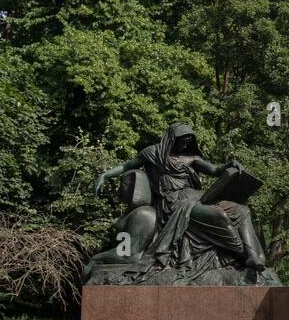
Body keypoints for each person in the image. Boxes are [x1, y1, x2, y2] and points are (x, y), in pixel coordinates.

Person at [92, 121, 277, 284]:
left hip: (197, 197)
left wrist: (230, 165)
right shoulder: (153, 153)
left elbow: (214, 169)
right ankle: (243, 256)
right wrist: (105, 174)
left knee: (241, 210)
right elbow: (127, 165)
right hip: (174, 203)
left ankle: (254, 257)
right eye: (183, 138)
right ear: (172, 138)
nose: (187, 141)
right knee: (218, 215)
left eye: (189, 138)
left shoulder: (192, 158)